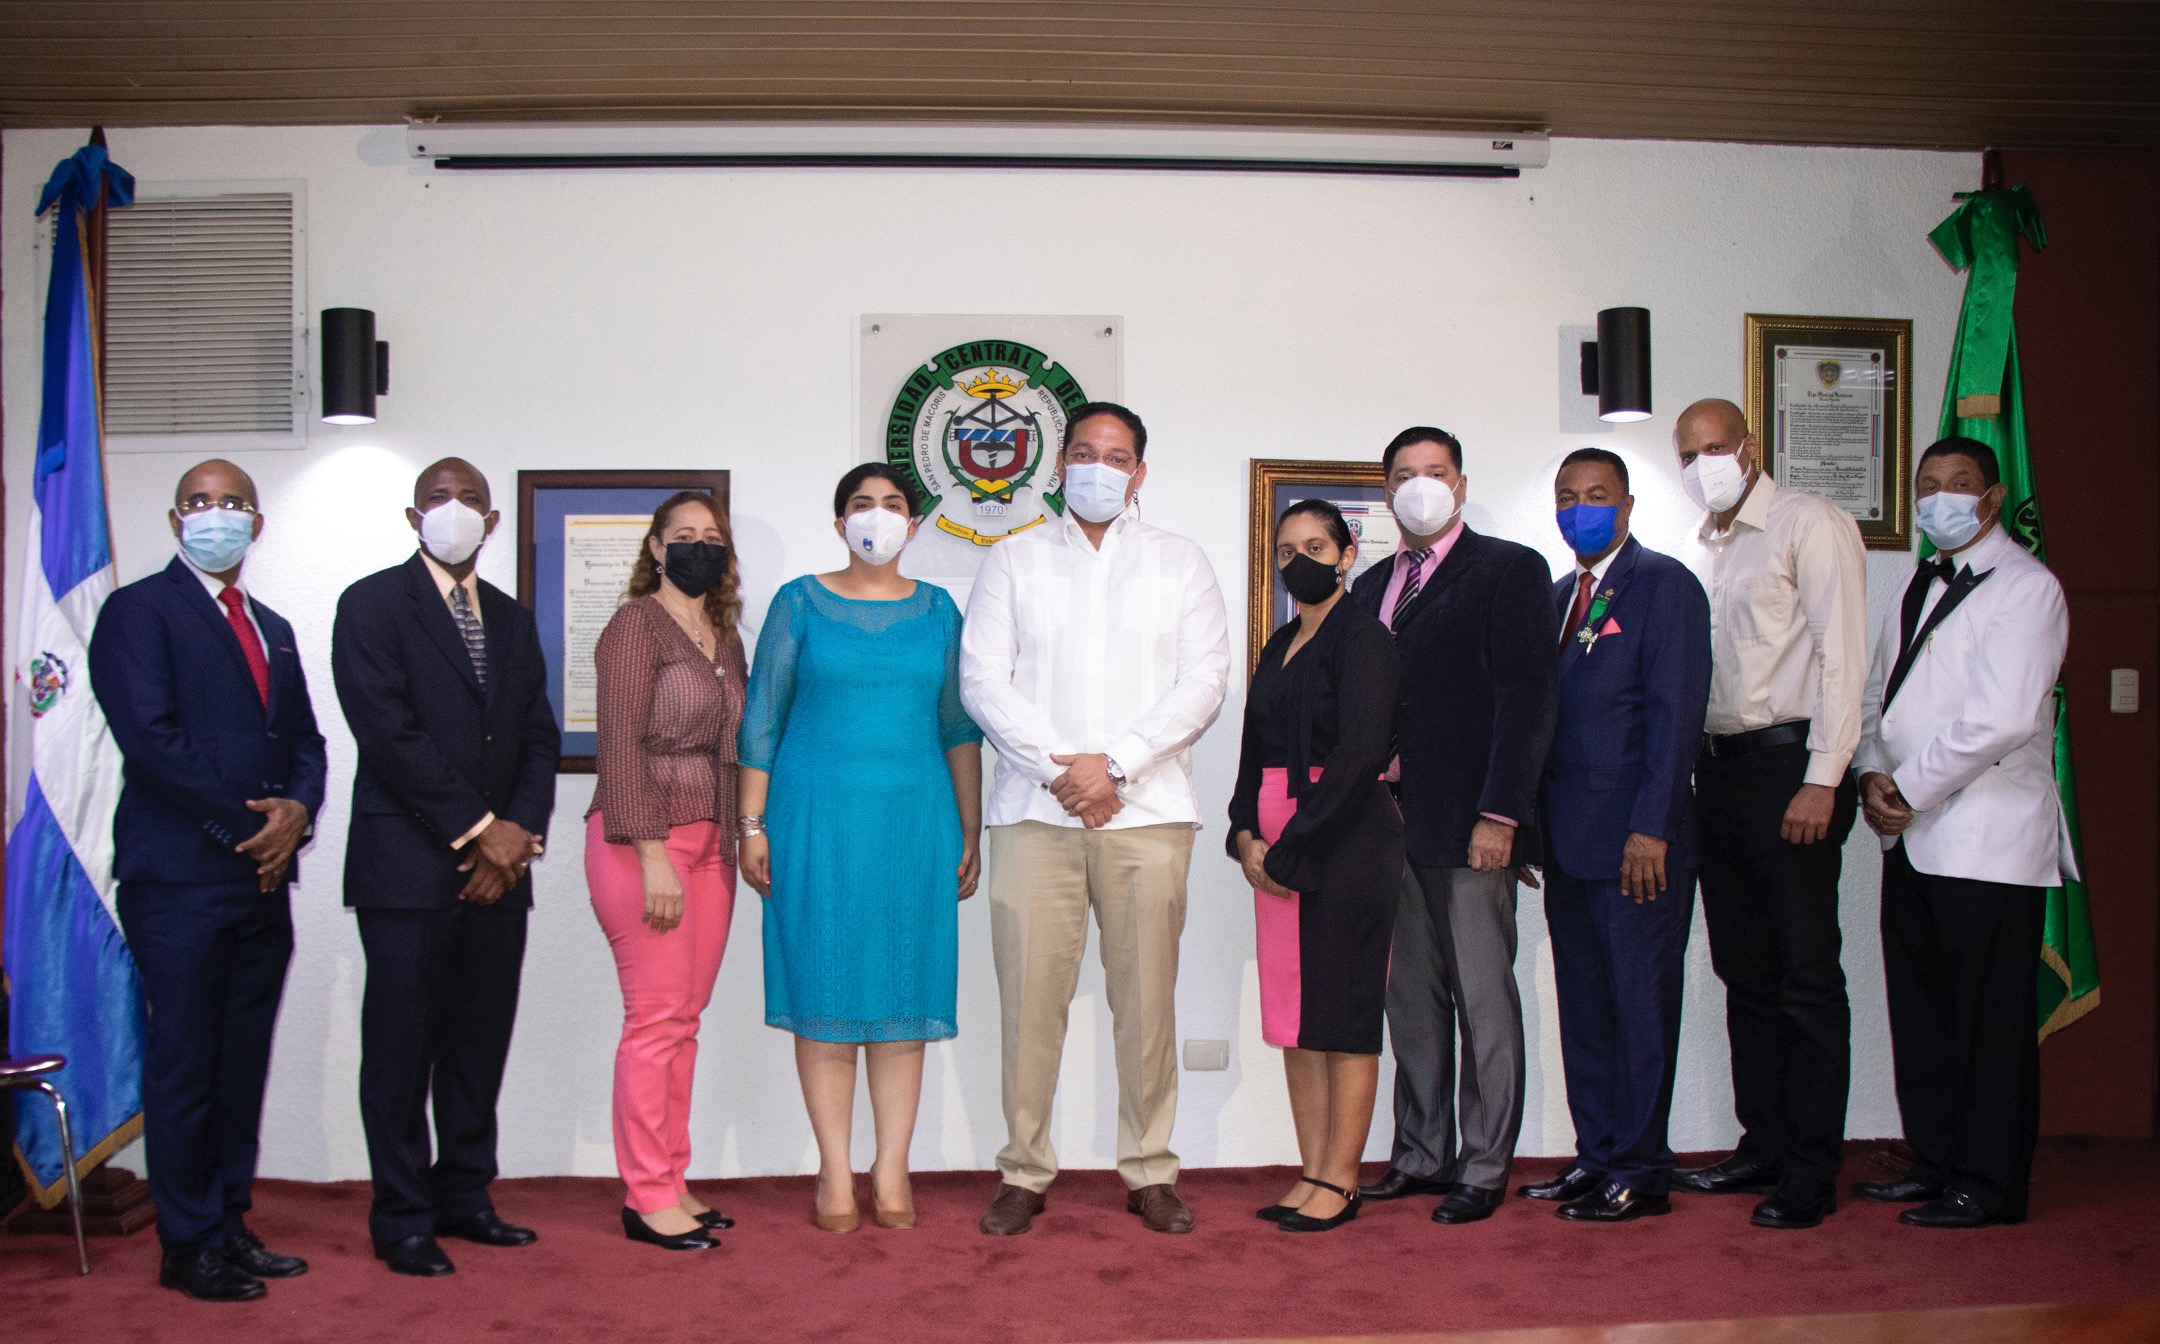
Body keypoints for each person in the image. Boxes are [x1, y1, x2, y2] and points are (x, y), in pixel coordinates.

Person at [960, 402, 1231, 1236]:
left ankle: (1149, 1169)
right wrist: (1064, 772)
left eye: (1117, 456)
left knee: (1147, 1001)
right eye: (1084, 452)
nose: (1099, 468)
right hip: (1033, 814)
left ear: (1140, 473)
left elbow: (1204, 683)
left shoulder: (1181, 563)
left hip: (1148, 815)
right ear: (1058, 465)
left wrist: (1113, 767)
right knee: (1029, 1002)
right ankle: (1024, 1170)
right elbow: (982, 680)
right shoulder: (1011, 560)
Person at [90, 460, 327, 1302]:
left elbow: (307, 743)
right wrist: (254, 827)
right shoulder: (138, 612)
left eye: (232, 505)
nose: (215, 516)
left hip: (261, 885)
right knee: (186, 1066)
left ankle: (228, 1224)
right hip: (180, 882)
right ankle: (187, 1244)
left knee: (240, 1067)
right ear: (173, 518)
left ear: (256, 525)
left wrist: (297, 809)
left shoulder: (272, 626)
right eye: (200, 502)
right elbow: (151, 740)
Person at [738, 464, 983, 1234]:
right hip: (814, 822)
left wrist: (970, 829)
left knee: (904, 997)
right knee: (826, 991)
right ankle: (836, 1170)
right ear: (838, 522)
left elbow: (958, 727)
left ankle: (893, 1168)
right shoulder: (799, 603)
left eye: (892, 505)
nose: (876, 516)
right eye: (860, 505)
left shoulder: (940, 610)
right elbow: (761, 719)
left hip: (916, 824)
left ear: (914, 525)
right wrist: (751, 825)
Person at [330, 459, 560, 1276]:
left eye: (469, 500)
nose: (453, 510)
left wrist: (518, 833)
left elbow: (537, 736)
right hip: (407, 865)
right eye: (437, 498)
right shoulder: (371, 604)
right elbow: (387, 732)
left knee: (476, 1043)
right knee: (399, 1049)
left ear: (492, 523)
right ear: (411, 514)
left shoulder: (509, 616)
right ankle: (402, 1216)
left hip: (502, 872)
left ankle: (464, 1194)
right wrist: (478, 830)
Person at [1854, 437, 2071, 1229]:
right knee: (1924, 1013)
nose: (1940, 498)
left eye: (1959, 485)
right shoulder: (1915, 582)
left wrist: (1906, 788)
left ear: (1992, 494)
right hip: (1908, 833)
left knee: (1990, 1024)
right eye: (1927, 485)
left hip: (1986, 836)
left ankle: (1989, 1182)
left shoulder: (2027, 588)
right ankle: (1938, 1160)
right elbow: (1880, 696)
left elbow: (2002, 718)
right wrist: (1871, 773)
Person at [1668, 398, 1867, 1230]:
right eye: (1688, 452)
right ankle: (1765, 1144)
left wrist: (1824, 777)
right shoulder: (1707, 547)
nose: (1703, 462)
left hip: (1794, 770)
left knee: (1805, 977)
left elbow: (1843, 655)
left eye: (1716, 446)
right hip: (1720, 776)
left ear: (1749, 448)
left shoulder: (1806, 523)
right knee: (1744, 974)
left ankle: (1813, 1169)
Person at [1353, 426, 1558, 1226]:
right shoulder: (1372, 583)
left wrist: (1502, 815)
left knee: (1484, 1001)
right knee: (1410, 1003)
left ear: (1461, 485)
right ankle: (1420, 1153)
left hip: (1472, 826)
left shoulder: (1508, 570)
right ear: (1385, 492)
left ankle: (1483, 1164)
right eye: (1404, 475)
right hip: (1387, 830)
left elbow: (1528, 702)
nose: (1420, 486)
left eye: (1435, 472)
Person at [1523, 448, 1711, 1223]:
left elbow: (1674, 718)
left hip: (1638, 844)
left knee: (1639, 1007)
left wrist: (1652, 829)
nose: (1580, 509)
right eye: (1567, 496)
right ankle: (1597, 1155)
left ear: (1627, 505)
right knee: (1588, 1007)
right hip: (1570, 841)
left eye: (1596, 495)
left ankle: (1640, 1168)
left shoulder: (1665, 586)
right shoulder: (1564, 594)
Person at [1227, 500, 1401, 1234]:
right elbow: (1250, 748)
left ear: (1346, 552)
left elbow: (1363, 753)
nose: (1300, 559)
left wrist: (1296, 848)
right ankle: (1309, 1170)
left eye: (1315, 545)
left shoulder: (1368, 640)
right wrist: (1243, 834)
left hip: (1344, 839)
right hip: (1275, 843)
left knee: (1344, 1013)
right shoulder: (1278, 645)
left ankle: (1342, 1179)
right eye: (1287, 548)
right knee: (1297, 1019)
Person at [586, 490, 747, 1252]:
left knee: (684, 1021)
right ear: (655, 548)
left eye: (711, 537)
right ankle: (647, 1196)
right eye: (683, 535)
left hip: (713, 844)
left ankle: (672, 1179)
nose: (697, 547)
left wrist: (742, 834)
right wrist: (651, 853)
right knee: (654, 1021)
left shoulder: (723, 634)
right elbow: (617, 746)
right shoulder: (632, 626)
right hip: (640, 843)